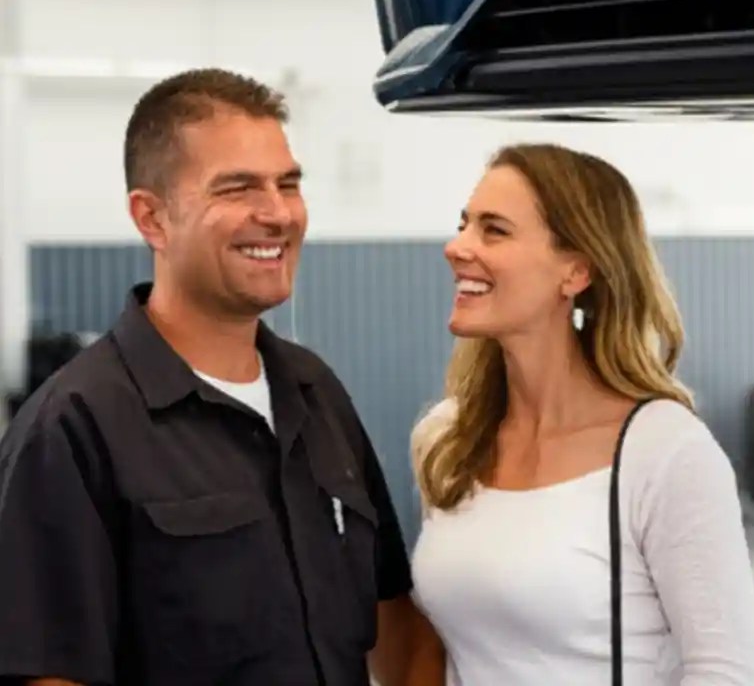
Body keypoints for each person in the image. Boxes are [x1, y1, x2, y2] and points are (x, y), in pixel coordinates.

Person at [0, 68, 442, 686]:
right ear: (151, 218)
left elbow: (394, 625)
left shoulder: (317, 393)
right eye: (237, 189)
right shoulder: (72, 428)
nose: (278, 213)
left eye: (288, 183)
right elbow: (50, 674)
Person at [408, 143, 754, 684]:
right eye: (464, 224)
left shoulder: (666, 453)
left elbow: (727, 672)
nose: (457, 246)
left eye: (494, 230)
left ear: (575, 271)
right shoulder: (446, 439)